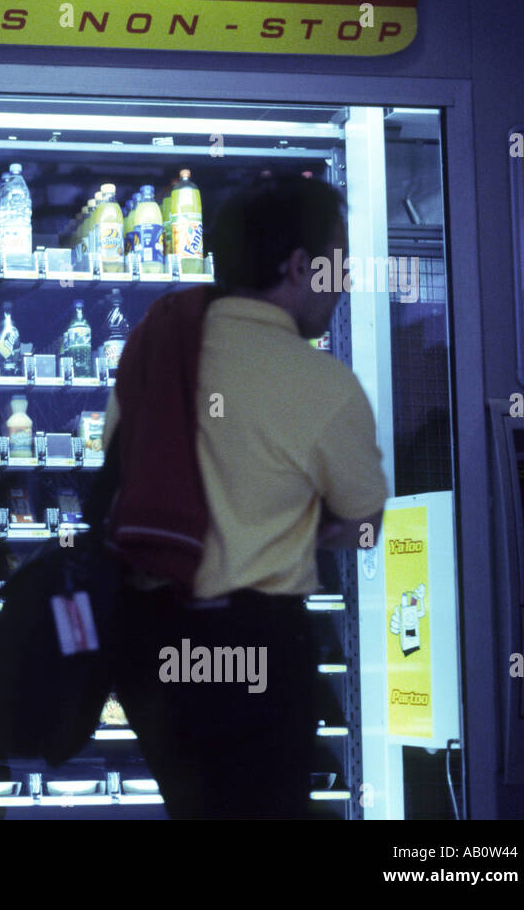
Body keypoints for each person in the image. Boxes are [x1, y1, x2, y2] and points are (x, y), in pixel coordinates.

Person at [102, 175, 387, 819]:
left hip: (157, 645)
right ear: (297, 266)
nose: (342, 281)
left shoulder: (159, 348)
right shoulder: (324, 384)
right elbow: (364, 523)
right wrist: (303, 525)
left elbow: (116, 465)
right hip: (256, 643)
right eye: (336, 263)